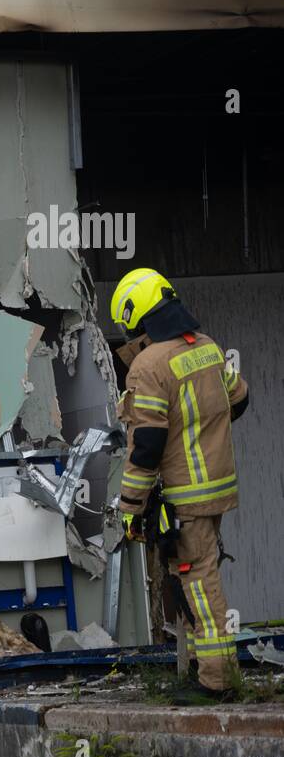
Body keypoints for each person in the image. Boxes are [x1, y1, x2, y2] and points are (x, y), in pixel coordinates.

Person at [111, 267, 249, 699]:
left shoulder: (149, 366)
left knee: (201, 586)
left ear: (138, 317)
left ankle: (217, 683)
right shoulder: (207, 347)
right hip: (216, 488)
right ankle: (206, 670)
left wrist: (130, 508)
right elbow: (240, 399)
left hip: (184, 498)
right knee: (190, 579)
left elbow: (146, 447)